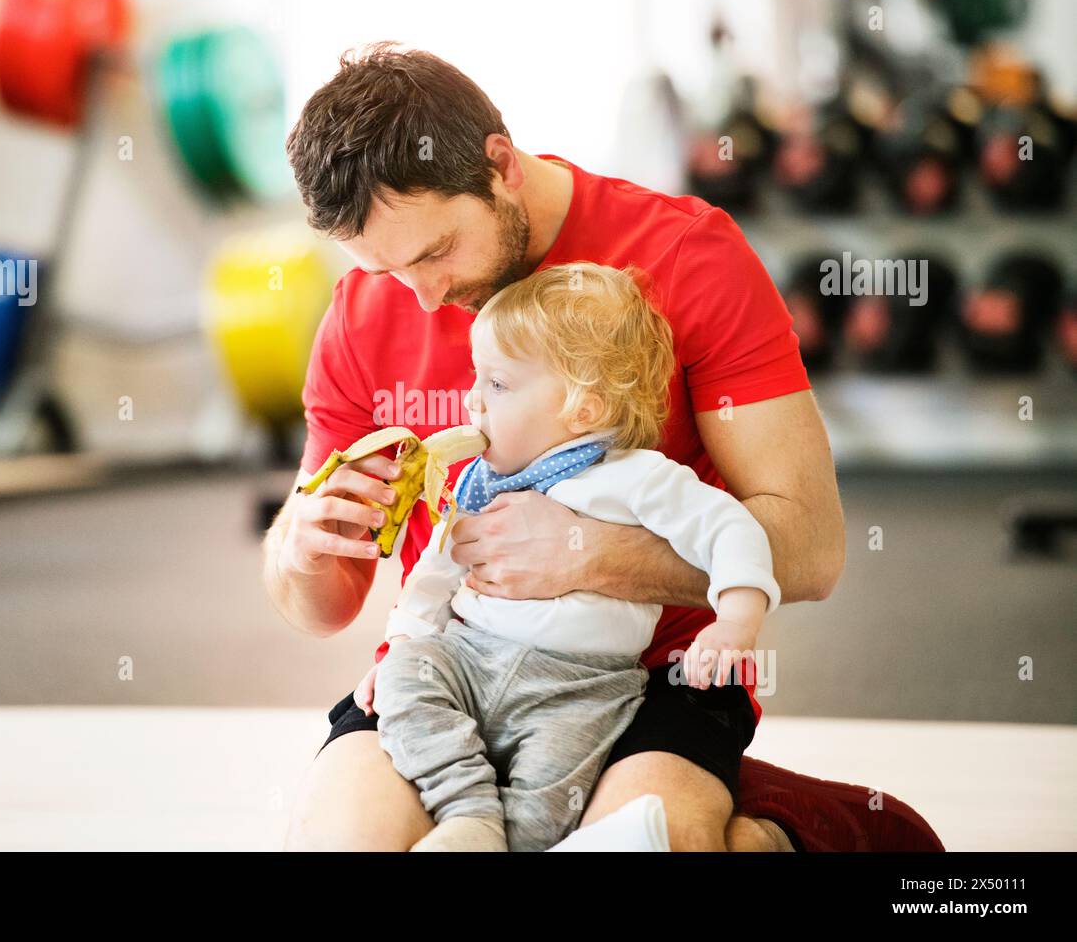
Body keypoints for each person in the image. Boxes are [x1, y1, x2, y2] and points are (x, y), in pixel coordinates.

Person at [264, 42, 944, 852]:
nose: (424, 296)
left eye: (436, 252)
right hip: (448, 670)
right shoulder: (362, 312)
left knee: (638, 843)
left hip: (650, 679)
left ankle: (768, 832)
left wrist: (594, 555)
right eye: (383, 270)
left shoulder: (690, 257)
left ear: (500, 166)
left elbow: (814, 548)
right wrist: (299, 549)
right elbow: (321, 608)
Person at [365, 262, 780, 852]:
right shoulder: (478, 480)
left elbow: (731, 529)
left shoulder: (636, 479)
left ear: (582, 409)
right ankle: (467, 812)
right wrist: (404, 643)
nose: (471, 400)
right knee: (404, 680)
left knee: (548, 804)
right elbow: (437, 569)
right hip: (466, 655)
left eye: (498, 385)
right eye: (475, 377)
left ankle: (513, 837)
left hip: (577, 688)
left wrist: (737, 619)